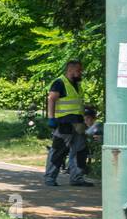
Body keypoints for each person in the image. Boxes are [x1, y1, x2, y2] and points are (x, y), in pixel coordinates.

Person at [44, 59, 93, 187]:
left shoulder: (77, 85)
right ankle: (50, 178)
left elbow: (76, 104)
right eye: (78, 70)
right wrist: (51, 118)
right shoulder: (59, 82)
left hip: (78, 122)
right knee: (58, 150)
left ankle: (77, 178)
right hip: (64, 122)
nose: (81, 72)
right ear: (70, 70)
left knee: (80, 151)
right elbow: (51, 99)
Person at [75, 105, 103, 175]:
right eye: (84, 119)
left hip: (92, 149)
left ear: (93, 119)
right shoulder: (87, 127)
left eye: (88, 119)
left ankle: (80, 169)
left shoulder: (96, 126)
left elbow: (87, 134)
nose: (85, 121)